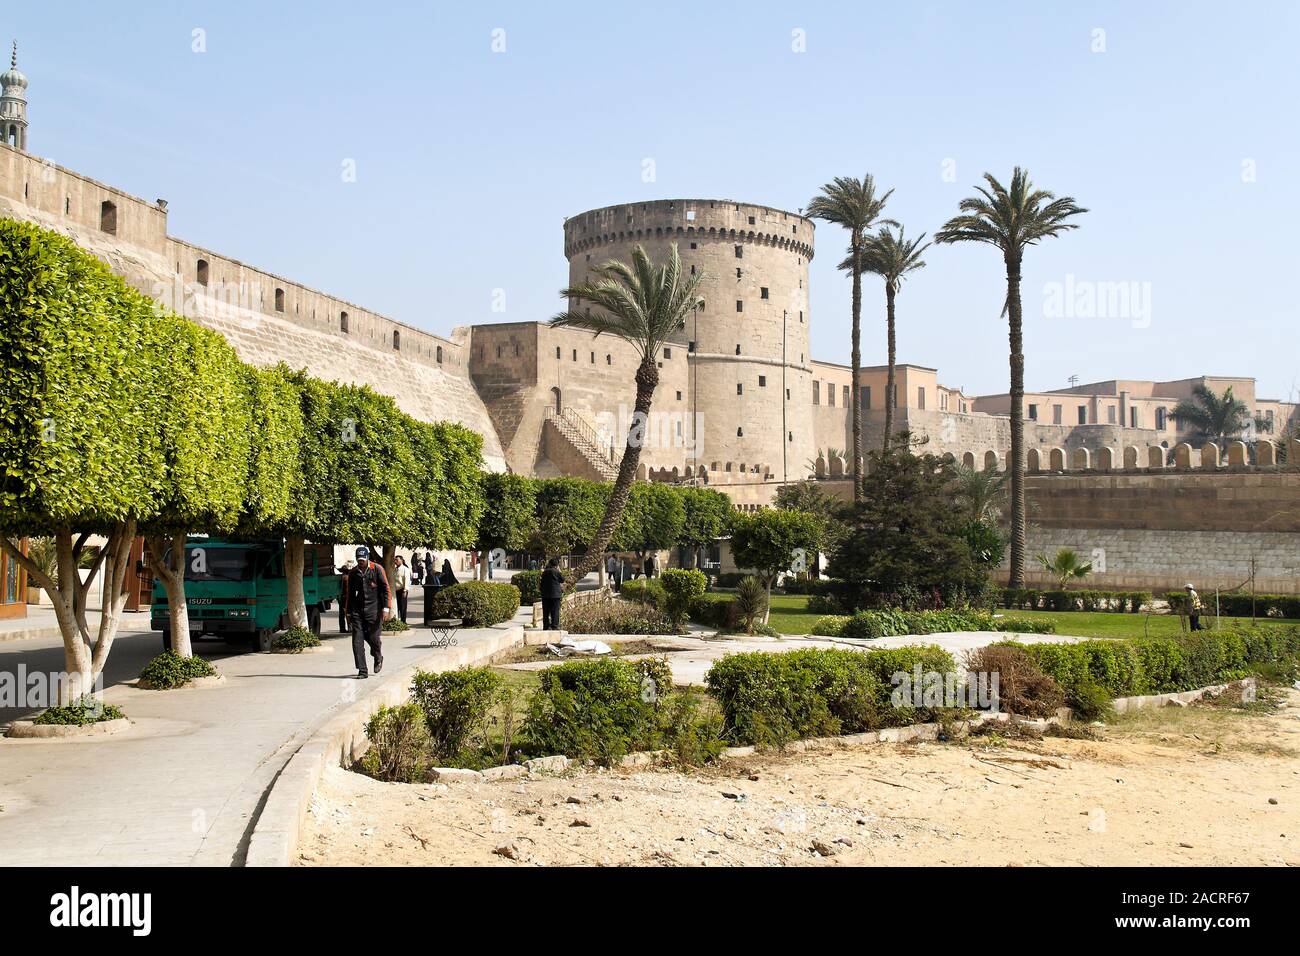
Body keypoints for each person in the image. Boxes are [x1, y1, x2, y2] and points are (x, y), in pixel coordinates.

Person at [347, 546, 390, 679]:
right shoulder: (353, 573)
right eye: (359, 560)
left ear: (367, 558)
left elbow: (385, 589)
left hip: (374, 610)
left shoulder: (377, 569)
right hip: (358, 611)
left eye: (363, 560)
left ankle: (378, 656)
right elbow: (350, 594)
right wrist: (348, 613)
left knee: (374, 639)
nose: (361, 562)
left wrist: (386, 608)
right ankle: (362, 670)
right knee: (357, 641)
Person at [541, 558, 565, 630]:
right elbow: (562, 580)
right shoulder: (557, 572)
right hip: (555, 595)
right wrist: (559, 571)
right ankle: (554, 626)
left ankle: (546, 626)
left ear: (549, 564)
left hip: (545, 595)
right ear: (557, 565)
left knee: (546, 611)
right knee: (555, 611)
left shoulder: (545, 572)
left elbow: (542, 583)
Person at [337, 559, 354, 633]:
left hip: (341, 597)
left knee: (341, 614)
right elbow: (347, 590)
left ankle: (342, 628)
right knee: (347, 613)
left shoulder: (341, 578)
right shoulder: (347, 578)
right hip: (346, 597)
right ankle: (349, 627)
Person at [393, 555, 411, 623]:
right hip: (395, 590)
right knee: (396, 606)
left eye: (397, 560)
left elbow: (407, 580)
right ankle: (396, 620)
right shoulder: (395, 569)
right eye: (395, 560)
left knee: (402, 606)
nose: (395, 561)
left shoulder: (405, 569)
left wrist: (405, 590)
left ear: (401, 560)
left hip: (402, 590)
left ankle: (403, 621)